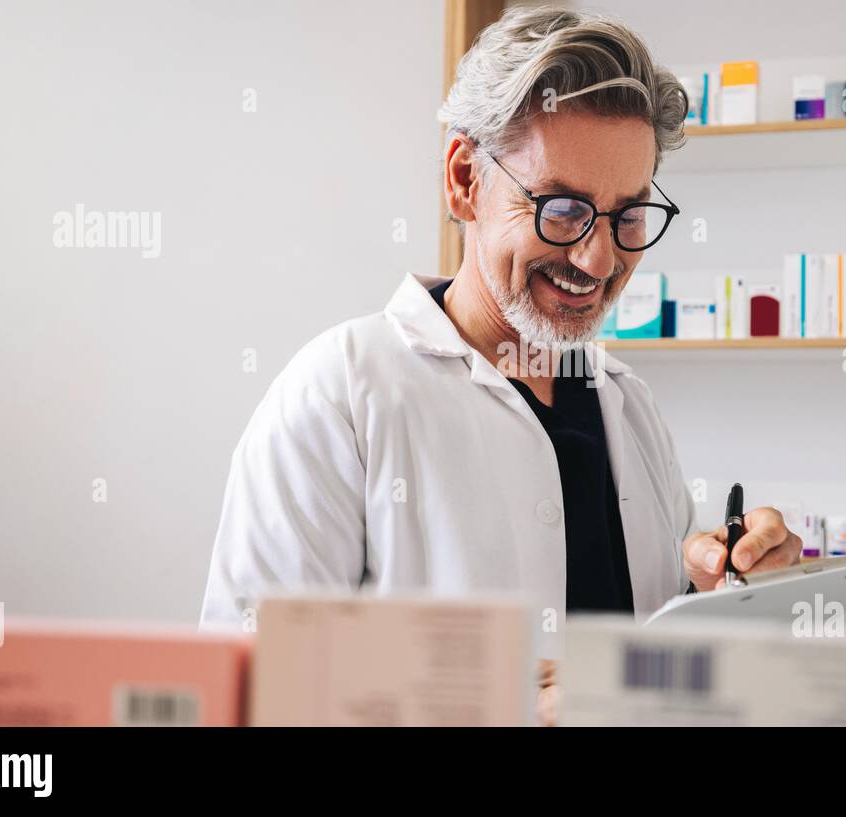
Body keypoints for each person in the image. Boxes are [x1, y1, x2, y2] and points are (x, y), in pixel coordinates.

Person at [200, 7, 802, 663]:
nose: (598, 261)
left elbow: (653, 651)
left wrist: (726, 591)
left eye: (629, 216)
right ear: (465, 180)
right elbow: (253, 687)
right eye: (563, 209)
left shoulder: (627, 408)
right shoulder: (338, 396)